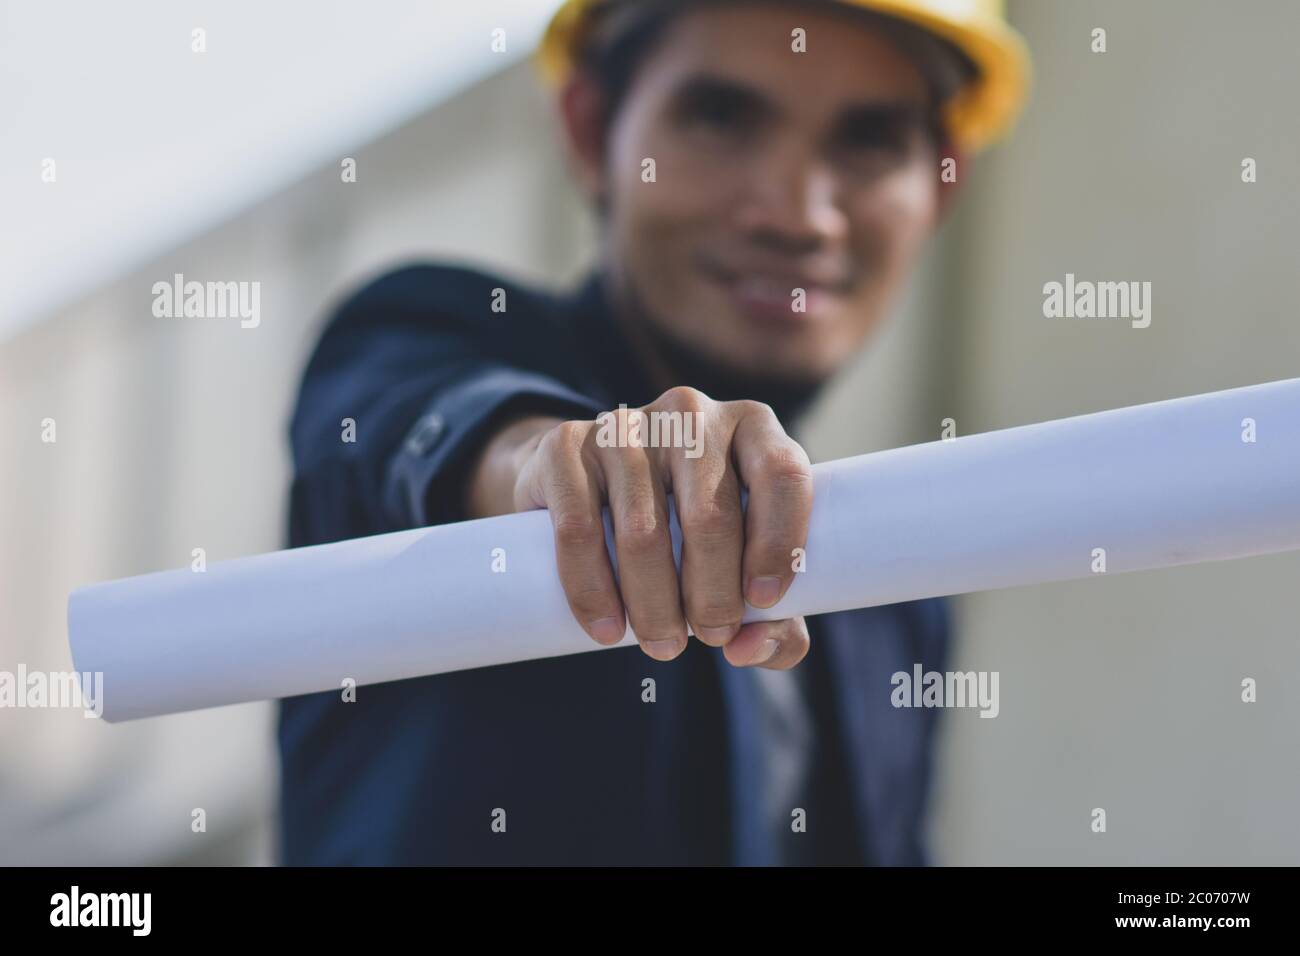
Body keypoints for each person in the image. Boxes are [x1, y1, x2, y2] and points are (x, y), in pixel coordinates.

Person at [279, 0, 1029, 865]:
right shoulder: (419, 331)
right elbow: (443, 430)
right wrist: (562, 466)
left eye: (869, 139)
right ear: (591, 130)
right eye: (721, 118)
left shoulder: (895, 590)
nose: (798, 215)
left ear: (943, 185)